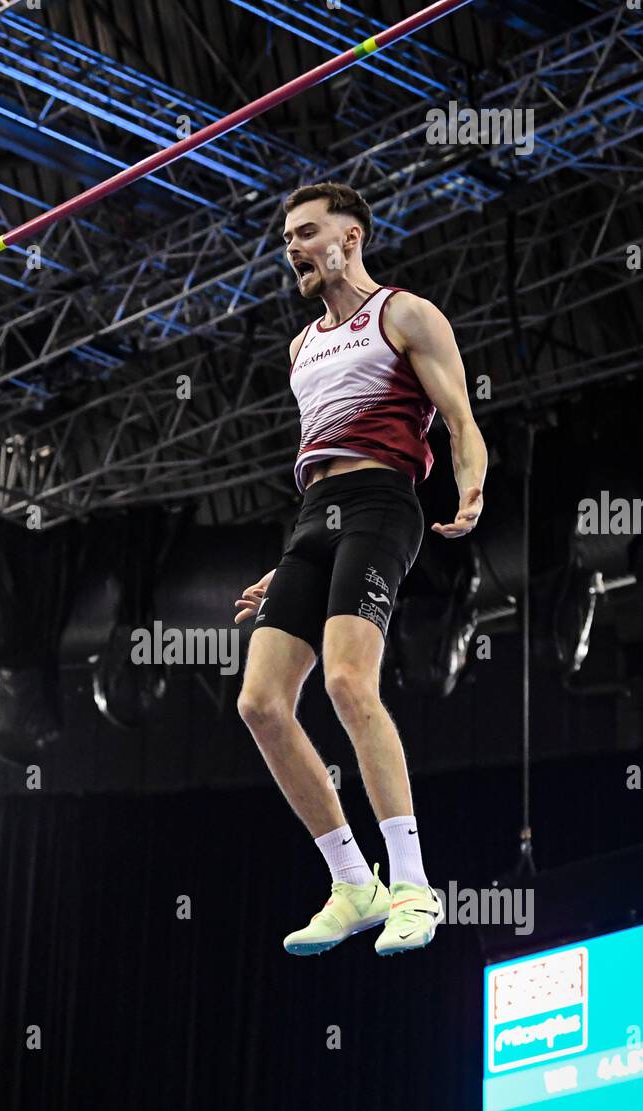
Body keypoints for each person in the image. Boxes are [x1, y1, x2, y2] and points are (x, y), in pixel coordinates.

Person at [234, 182, 486, 957]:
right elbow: (320, 467)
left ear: (350, 237)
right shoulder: (300, 346)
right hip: (316, 521)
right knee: (261, 704)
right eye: (287, 240)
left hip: (382, 506)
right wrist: (289, 567)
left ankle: (412, 885)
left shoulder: (404, 314)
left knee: (346, 682)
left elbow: (457, 419)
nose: (294, 250)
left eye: (307, 233)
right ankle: (353, 882)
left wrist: (471, 480)